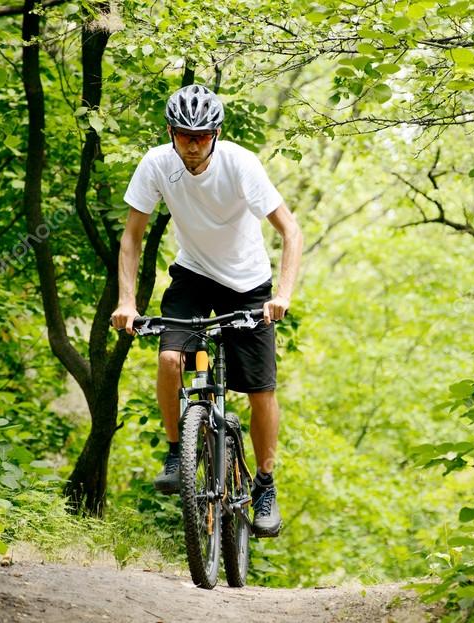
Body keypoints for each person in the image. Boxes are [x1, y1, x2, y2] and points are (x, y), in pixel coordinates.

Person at [109, 84, 303, 538]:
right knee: (171, 359)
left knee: (259, 391)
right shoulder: (156, 164)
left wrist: (283, 295)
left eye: (201, 135)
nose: (192, 144)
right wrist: (126, 301)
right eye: (183, 134)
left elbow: (290, 231)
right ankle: (179, 451)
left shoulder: (240, 164)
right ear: (171, 132)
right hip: (193, 277)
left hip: (248, 284)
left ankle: (265, 486)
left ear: (216, 134)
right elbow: (132, 238)